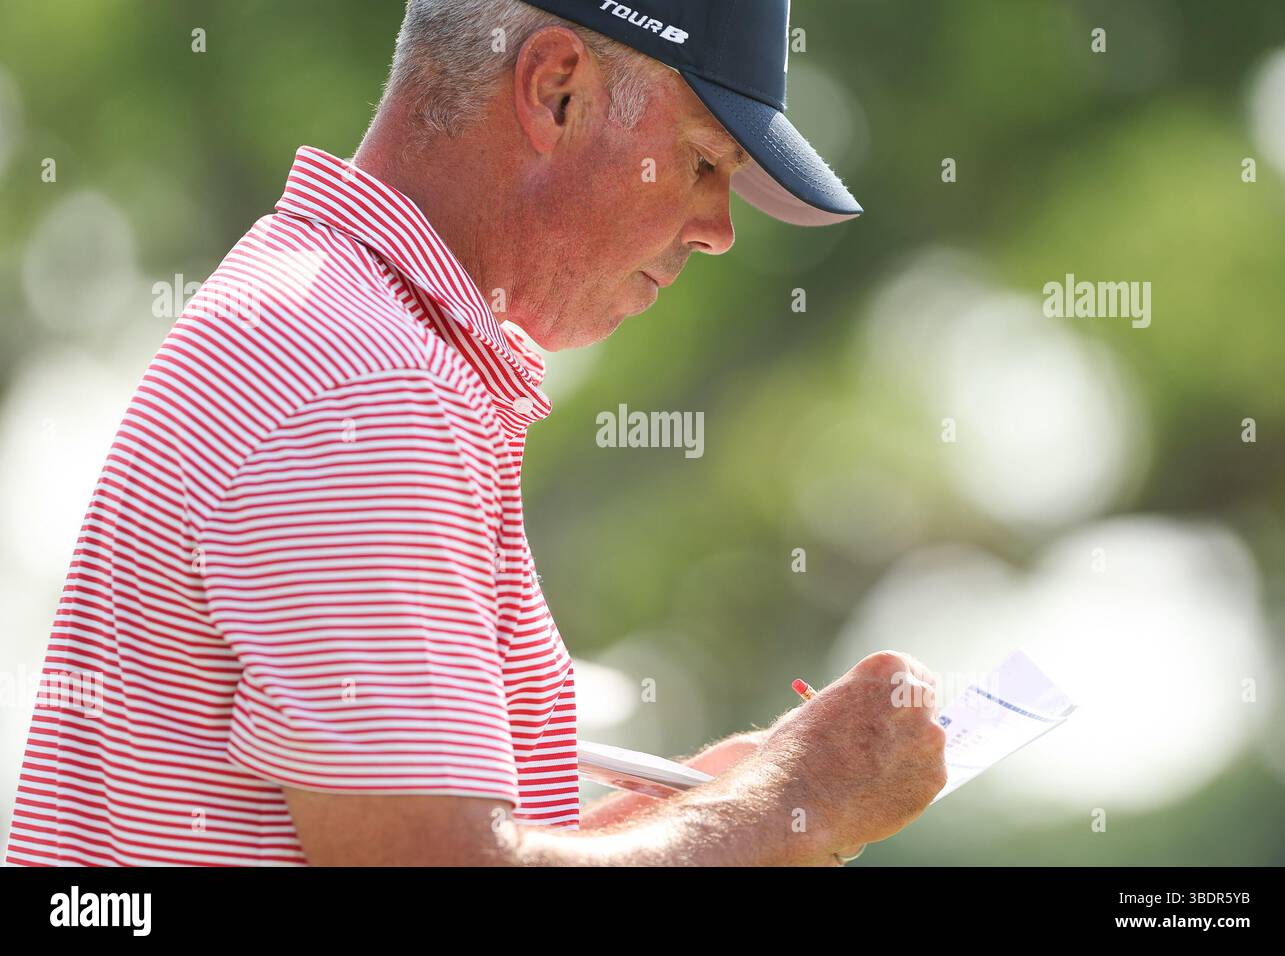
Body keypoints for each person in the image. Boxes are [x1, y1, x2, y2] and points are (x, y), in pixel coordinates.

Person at [5, 0, 945, 867]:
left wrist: (726, 804)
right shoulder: (369, 385)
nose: (717, 230)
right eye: (703, 161)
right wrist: (802, 800)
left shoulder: (325, 319)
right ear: (556, 89)